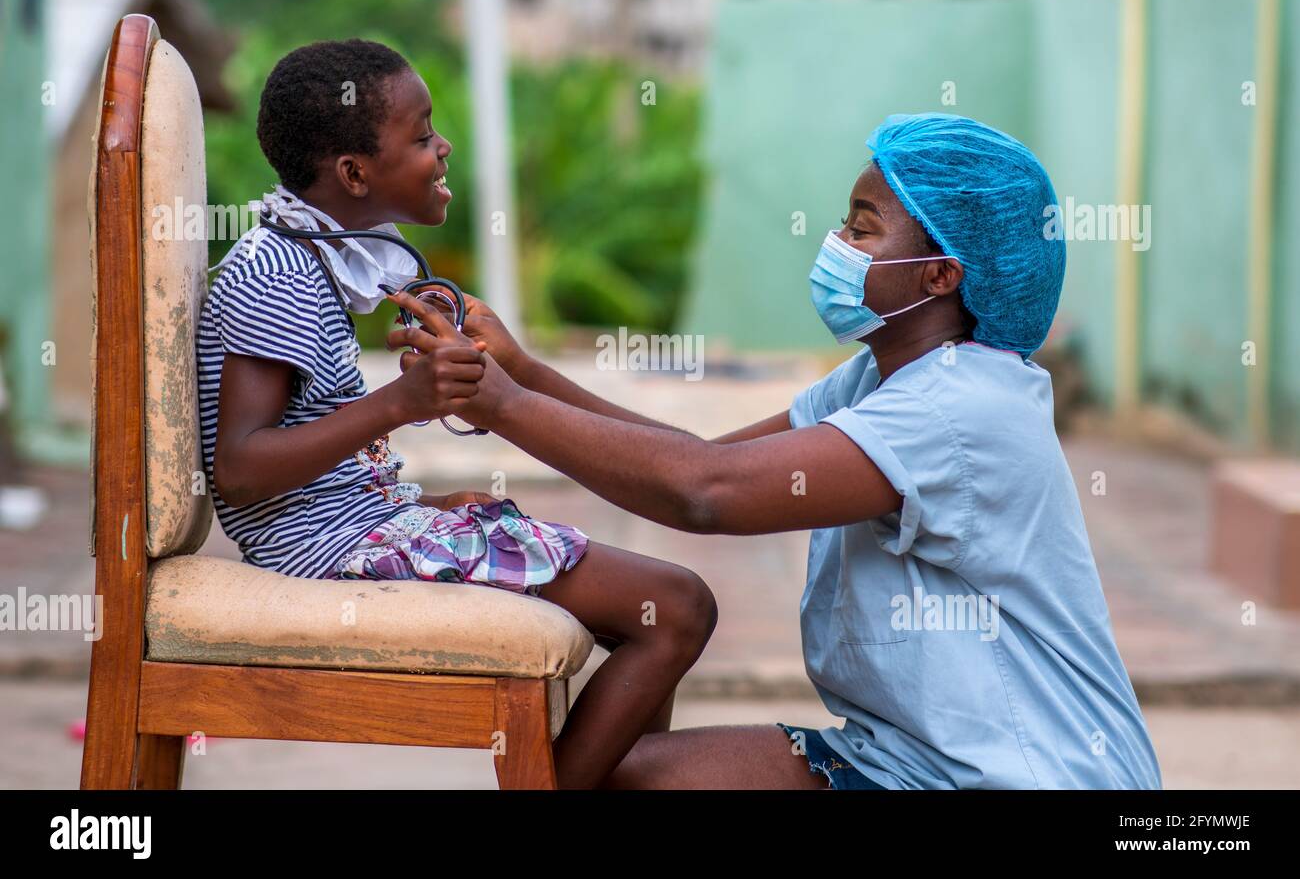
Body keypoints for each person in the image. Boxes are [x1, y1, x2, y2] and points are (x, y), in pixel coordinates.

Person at [392, 112, 1164, 789]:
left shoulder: (961, 406)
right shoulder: (878, 378)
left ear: (939, 275)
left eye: (862, 229)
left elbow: (707, 492)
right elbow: (692, 457)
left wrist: (501, 401)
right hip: (899, 761)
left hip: (1026, 776)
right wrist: (521, 374)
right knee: (613, 772)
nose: (837, 243)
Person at [197, 38, 717, 789]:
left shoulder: (316, 252)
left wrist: (418, 500)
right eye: (420, 136)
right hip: (323, 552)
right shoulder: (275, 273)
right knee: (673, 606)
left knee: (654, 607)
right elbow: (242, 472)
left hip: (350, 526)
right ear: (353, 172)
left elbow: (312, 459)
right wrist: (401, 403)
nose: (444, 148)